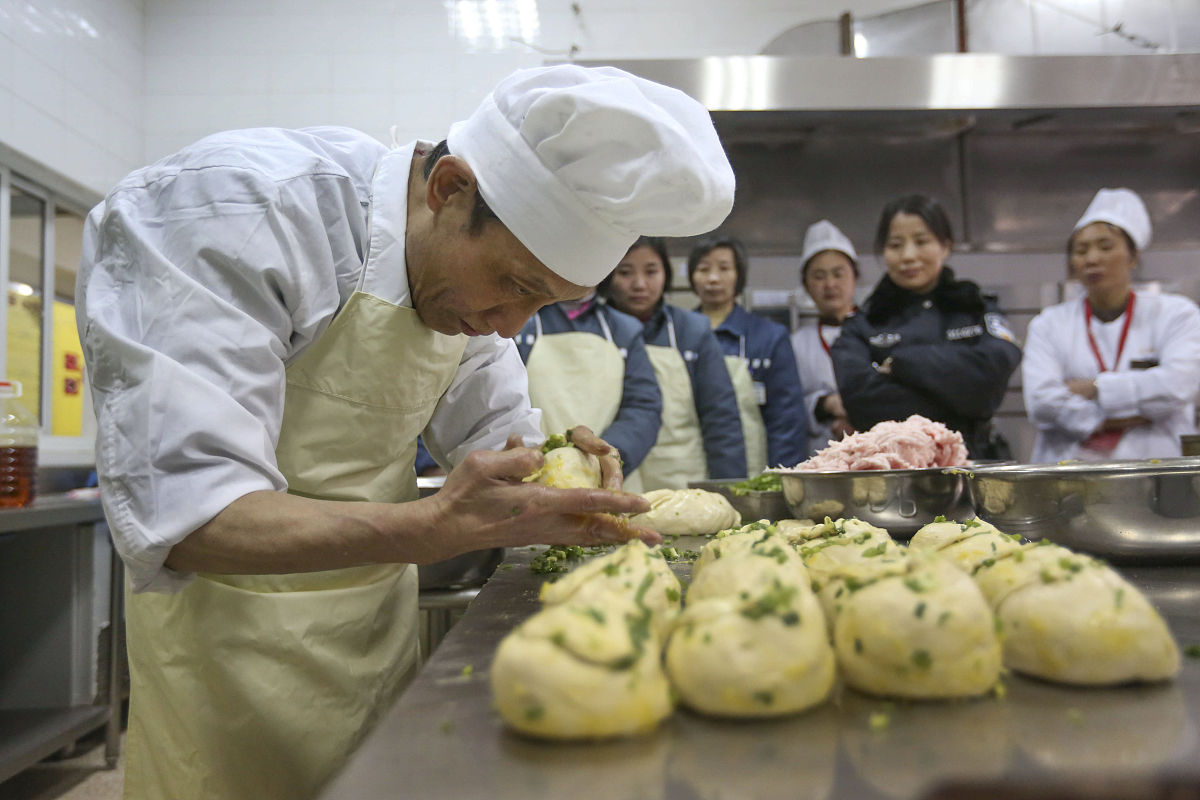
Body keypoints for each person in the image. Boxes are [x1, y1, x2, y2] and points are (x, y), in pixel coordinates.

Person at [75, 64, 735, 800]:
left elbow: (496, 428)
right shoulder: (232, 212)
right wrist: (430, 527)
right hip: (226, 654)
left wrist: (553, 473)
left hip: (370, 641)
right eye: (516, 285)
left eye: (546, 303)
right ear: (448, 190)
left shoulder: (459, 281)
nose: (512, 326)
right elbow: (189, 514)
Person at [832, 194, 1021, 459]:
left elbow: (990, 383)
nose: (908, 256)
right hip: (890, 472)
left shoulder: (975, 307)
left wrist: (900, 364)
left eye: (921, 242)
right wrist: (956, 390)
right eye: (896, 244)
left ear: (945, 246)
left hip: (975, 466)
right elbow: (861, 403)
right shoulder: (863, 323)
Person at [1023, 188, 1200, 462]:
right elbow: (1041, 404)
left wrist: (1094, 388)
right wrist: (1133, 411)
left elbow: (1179, 386)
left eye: (1106, 247)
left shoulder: (1177, 314)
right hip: (1068, 475)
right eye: (1081, 250)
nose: (1092, 259)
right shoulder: (1048, 324)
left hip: (1158, 472)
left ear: (1132, 256)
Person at [598, 236, 746, 488]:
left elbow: (721, 419)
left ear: (666, 274)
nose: (639, 284)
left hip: (682, 482)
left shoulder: (692, 330)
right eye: (625, 272)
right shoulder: (593, 330)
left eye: (651, 271)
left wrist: (729, 491)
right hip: (611, 477)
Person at [514, 292, 663, 493]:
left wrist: (604, 456)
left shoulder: (624, 330)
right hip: (537, 477)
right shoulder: (519, 323)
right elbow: (504, 406)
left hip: (610, 478)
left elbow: (642, 408)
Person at [688, 236, 808, 472]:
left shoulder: (769, 337)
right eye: (703, 269)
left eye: (724, 268)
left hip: (754, 471)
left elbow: (786, 421)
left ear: (739, 276)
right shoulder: (676, 334)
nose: (713, 278)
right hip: (688, 466)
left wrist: (781, 480)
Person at [790, 220, 859, 455]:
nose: (830, 284)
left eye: (838, 274)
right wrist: (825, 404)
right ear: (806, 286)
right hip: (820, 454)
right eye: (818, 276)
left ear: (854, 278)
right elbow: (789, 405)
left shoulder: (879, 331)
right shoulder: (796, 343)